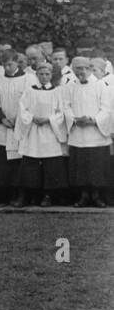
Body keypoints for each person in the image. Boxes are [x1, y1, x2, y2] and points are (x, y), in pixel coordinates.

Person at [62, 57, 112, 207]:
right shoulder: (70, 86)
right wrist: (74, 119)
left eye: (84, 68)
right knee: (80, 167)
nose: (81, 71)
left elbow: (107, 108)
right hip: (78, 133)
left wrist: (93, 120)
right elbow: (66, 106)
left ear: (90, 68)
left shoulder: (100, 85)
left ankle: (97, 197)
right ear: (73, 69)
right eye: (77, 68)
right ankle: (83, 196)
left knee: (96, 167)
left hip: (96, 134)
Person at [17, 62, 67, 207]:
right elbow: (22, 109)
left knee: (50, 164)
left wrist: (49, 119)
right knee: (30, 163)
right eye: (41, 74)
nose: (44, 77)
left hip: (50, 131)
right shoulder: (30, 91)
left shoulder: (56, 92)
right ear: (36, 75)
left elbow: (61, 112)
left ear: (51, 75)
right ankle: (29, 195)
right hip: (33, 130)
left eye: (47, 74)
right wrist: (31, 118)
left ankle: (48, 195)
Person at [0, 51, 30, 206]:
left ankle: (22, 195)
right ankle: (9, 194)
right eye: (4, 65)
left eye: (10, 64)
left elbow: (28, 100)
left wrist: (19, 119)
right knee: (6, 164)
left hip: (20, 126)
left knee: (20, 162)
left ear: (17, 63)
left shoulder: (27, 79)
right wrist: (1, 118)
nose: (7, 68)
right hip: (5, 127)